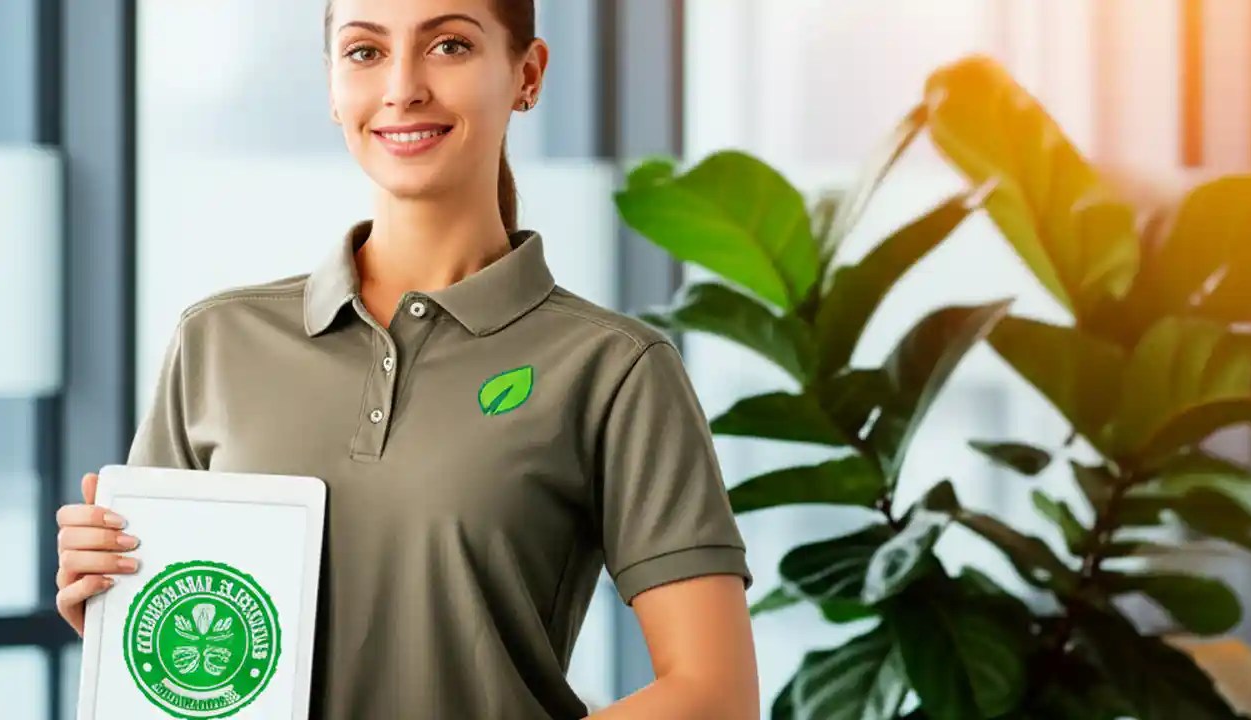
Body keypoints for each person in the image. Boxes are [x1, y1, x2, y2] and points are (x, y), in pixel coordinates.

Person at [53, 0, 758, 717]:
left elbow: (714, 694)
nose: (403, 87)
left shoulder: (614, 369)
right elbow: (183, 664)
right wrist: (114, 614)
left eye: (449, 46)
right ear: (332, 84)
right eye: (365, 52)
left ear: (528, 73)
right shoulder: (217, 341)